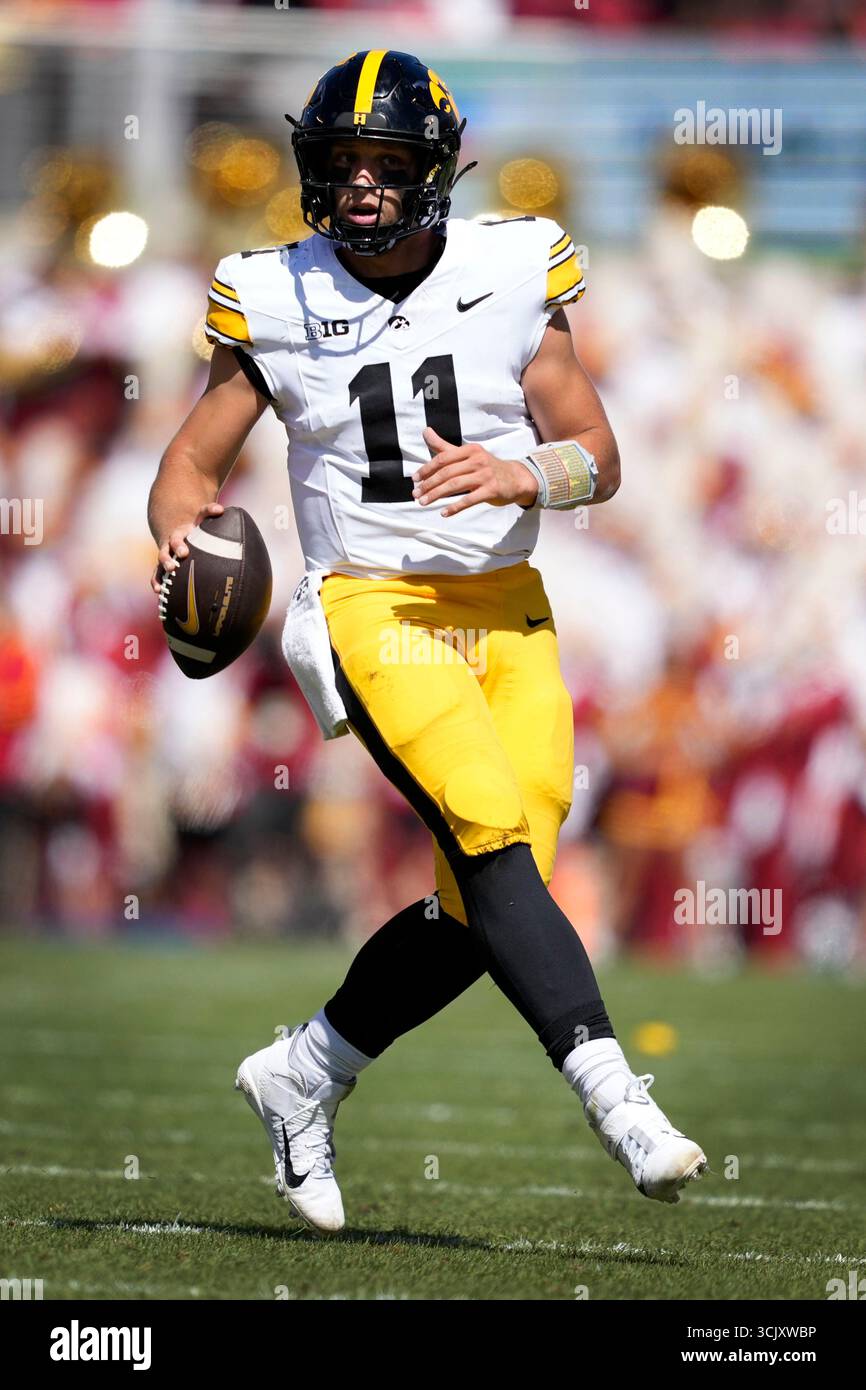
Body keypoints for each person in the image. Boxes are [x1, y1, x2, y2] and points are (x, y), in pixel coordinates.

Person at [147, 49, 706, 1234]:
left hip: (506, 605)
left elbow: (600, 451)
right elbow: (190, 469)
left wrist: (522, 469)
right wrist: (175, 547)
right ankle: (617, 1098)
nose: (357, 185)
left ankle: (304, 1071)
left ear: (436, 171)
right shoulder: (275, 290)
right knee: (490, 832)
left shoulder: (511, 267)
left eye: (384, 164)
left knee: (491, 893)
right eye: (339, 163)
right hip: (372, 606)